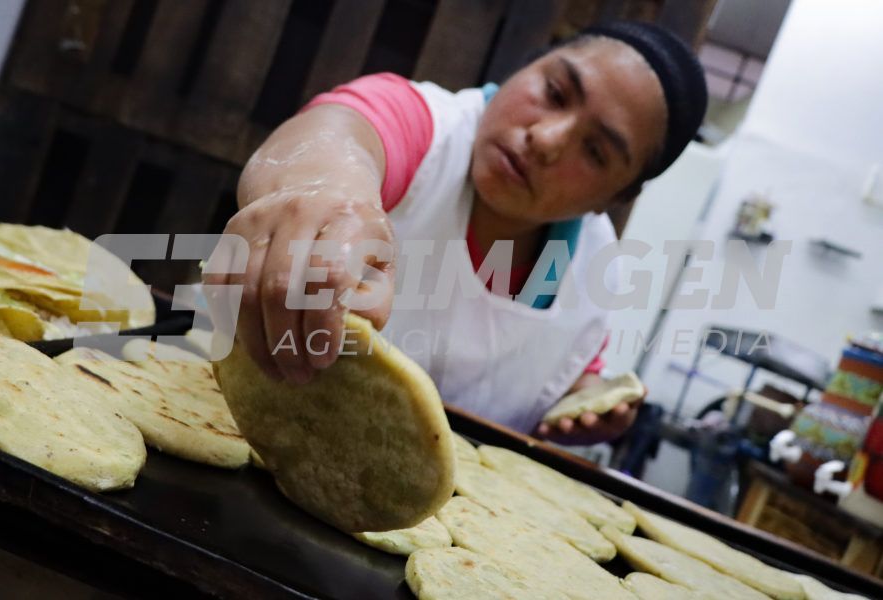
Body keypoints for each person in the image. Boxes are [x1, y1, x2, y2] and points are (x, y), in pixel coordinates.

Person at [206, 21, 707, 445]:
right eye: (555, 93)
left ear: (615, 198)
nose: (546, 139)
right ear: (530, 65)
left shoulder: (591, 266)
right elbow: (337, 132)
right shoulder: (426, 129)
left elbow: (564, 364)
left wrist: (583, 401)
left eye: (595, 152)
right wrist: (323, 194)